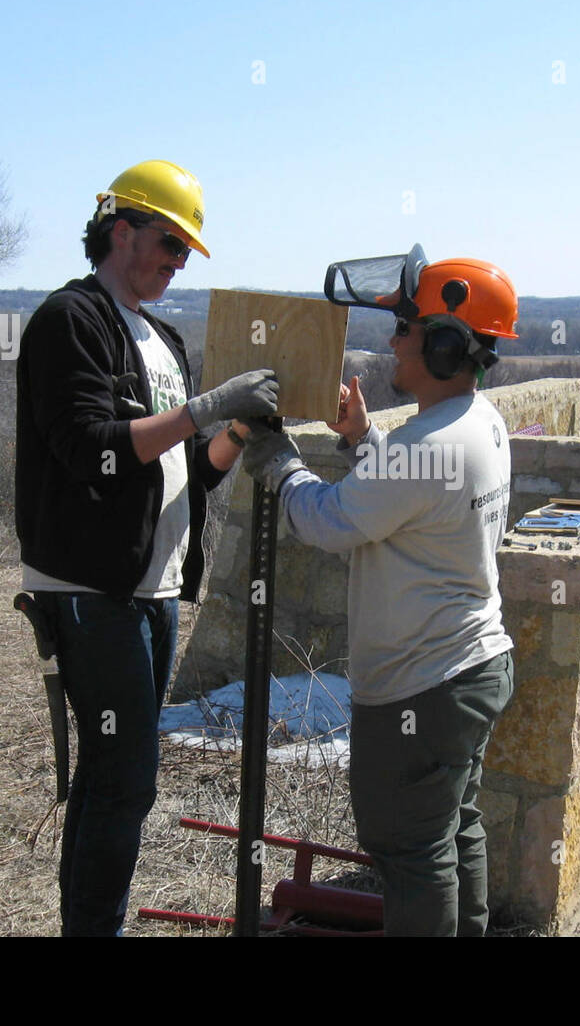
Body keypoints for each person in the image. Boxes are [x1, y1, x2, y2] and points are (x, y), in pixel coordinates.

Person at [15, 160, 278, 936]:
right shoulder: (72, 320)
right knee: (127, 780)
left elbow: (183, 469)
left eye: (187, 252)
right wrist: (206, 408)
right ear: (120, 230)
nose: (178, 262)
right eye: (169, 243)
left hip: (153, 589)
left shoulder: (162, 338)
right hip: (90, 589)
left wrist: (232, 431)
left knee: (113, 778)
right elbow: (90, 447)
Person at [241, 250, 519, 936]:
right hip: (474, 669)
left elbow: (331, 521)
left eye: (407, 327)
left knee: (409, 850)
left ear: (448, 347)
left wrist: (279, 463)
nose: (393, 340)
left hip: (420, 690)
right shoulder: (476, 423)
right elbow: (410, 501)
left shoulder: (427, 445)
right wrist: (364, 438)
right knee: (453, 827)